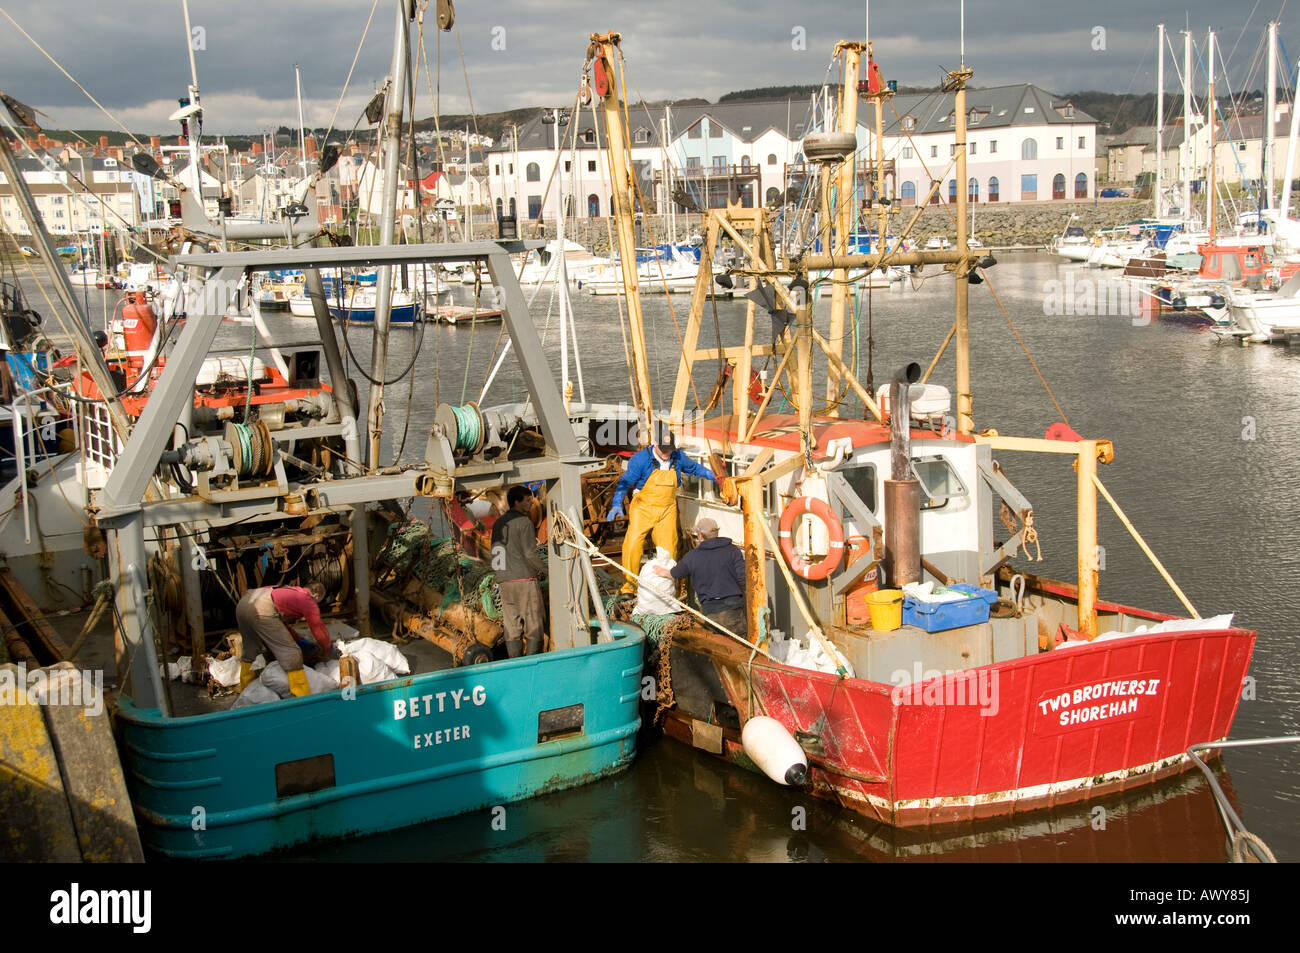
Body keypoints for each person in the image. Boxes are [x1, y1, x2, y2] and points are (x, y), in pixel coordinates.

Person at [606, 430, 718, 593]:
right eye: (663, 450)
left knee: (669, 548)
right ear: (655, 444)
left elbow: (694, 468)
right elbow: (625, 482)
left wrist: (711, 475)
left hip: (667, 509)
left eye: (669, 450)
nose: (667, 454)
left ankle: (665, 587)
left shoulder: (678, 456)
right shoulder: (640, 460)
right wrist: (616, 503)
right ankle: (629, 586)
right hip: (643, 507)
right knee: (632, 544)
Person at [655, 517, 747, 637]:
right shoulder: (733, 551)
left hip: (710, 611)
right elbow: (743, 579)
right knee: (742, 646)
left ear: (700, 536)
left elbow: (675, 573)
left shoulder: (692, 556)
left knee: (717, 648)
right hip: (732, 608)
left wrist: (662, 571)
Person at [236, 582, 331, 697]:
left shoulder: (288, 590)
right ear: (316, 596)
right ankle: (302, 696)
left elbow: (279, 623)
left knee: (250, 650)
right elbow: (318, 627)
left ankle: (245, 690)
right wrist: (327, 648)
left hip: (244, 604)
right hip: (262, 609)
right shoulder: (308, 600)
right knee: (291, 653)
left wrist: (298, 639)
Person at [491, 485, 546, 657]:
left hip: (505, 581)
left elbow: (495, 551)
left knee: (512, 627)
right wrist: (546, 570)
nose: (531, 504)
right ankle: (531, 664)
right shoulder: (525, 522)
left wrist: (500, 577)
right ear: (516, 502)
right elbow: (530, 553)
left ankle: (514, 662)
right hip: (524, 581)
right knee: (534, 627)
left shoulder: (498, 523)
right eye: (528, 501)